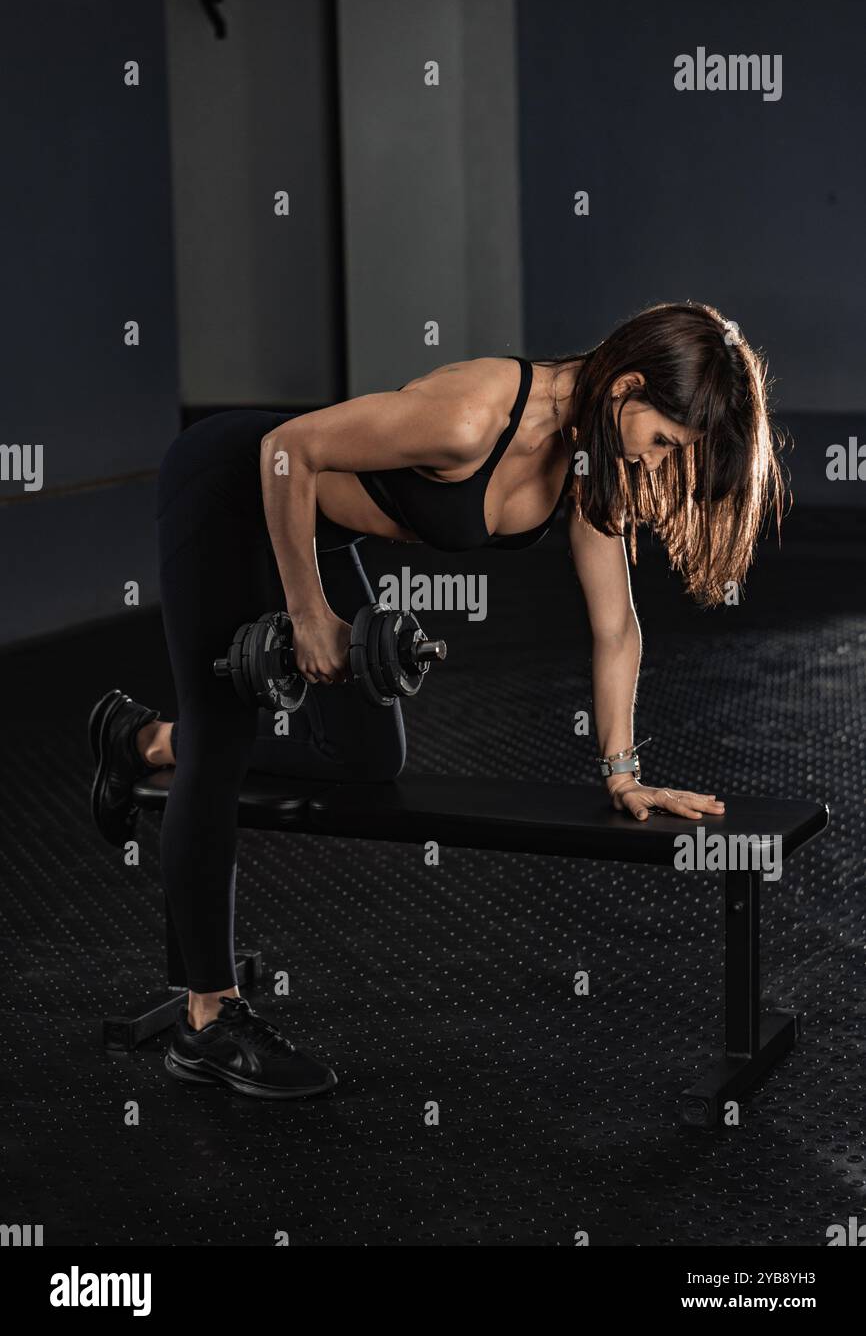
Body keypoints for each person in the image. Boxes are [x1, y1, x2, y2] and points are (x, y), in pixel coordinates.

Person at [89, 300, 785, 1100]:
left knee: (364, 757)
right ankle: (206, 1020)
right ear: (628, 388)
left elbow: (616, 627)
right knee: (223, 737)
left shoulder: (593, 461)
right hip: (231, 487)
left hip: (310, 525)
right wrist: (310, 613)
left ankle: (136, 741)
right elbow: (287, 451)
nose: (658, 464)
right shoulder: (473, 415)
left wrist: (623, 773)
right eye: (662, 442)